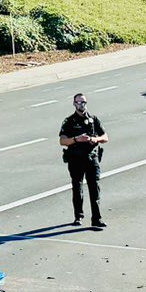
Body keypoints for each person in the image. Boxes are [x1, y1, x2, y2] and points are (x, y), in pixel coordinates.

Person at [58, 91, 107, 229]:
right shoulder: (69, 121)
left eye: (83, 102)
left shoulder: (93, 119)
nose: (81, 104)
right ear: (74, 104)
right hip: (75, 159)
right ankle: (78, 216)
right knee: (77, 187)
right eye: (78, 102)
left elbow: (105, 137)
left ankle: (96, 218)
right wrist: (76, 139)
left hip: (91, 157)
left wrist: (94, 139)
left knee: (94, 188)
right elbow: (62, 141)